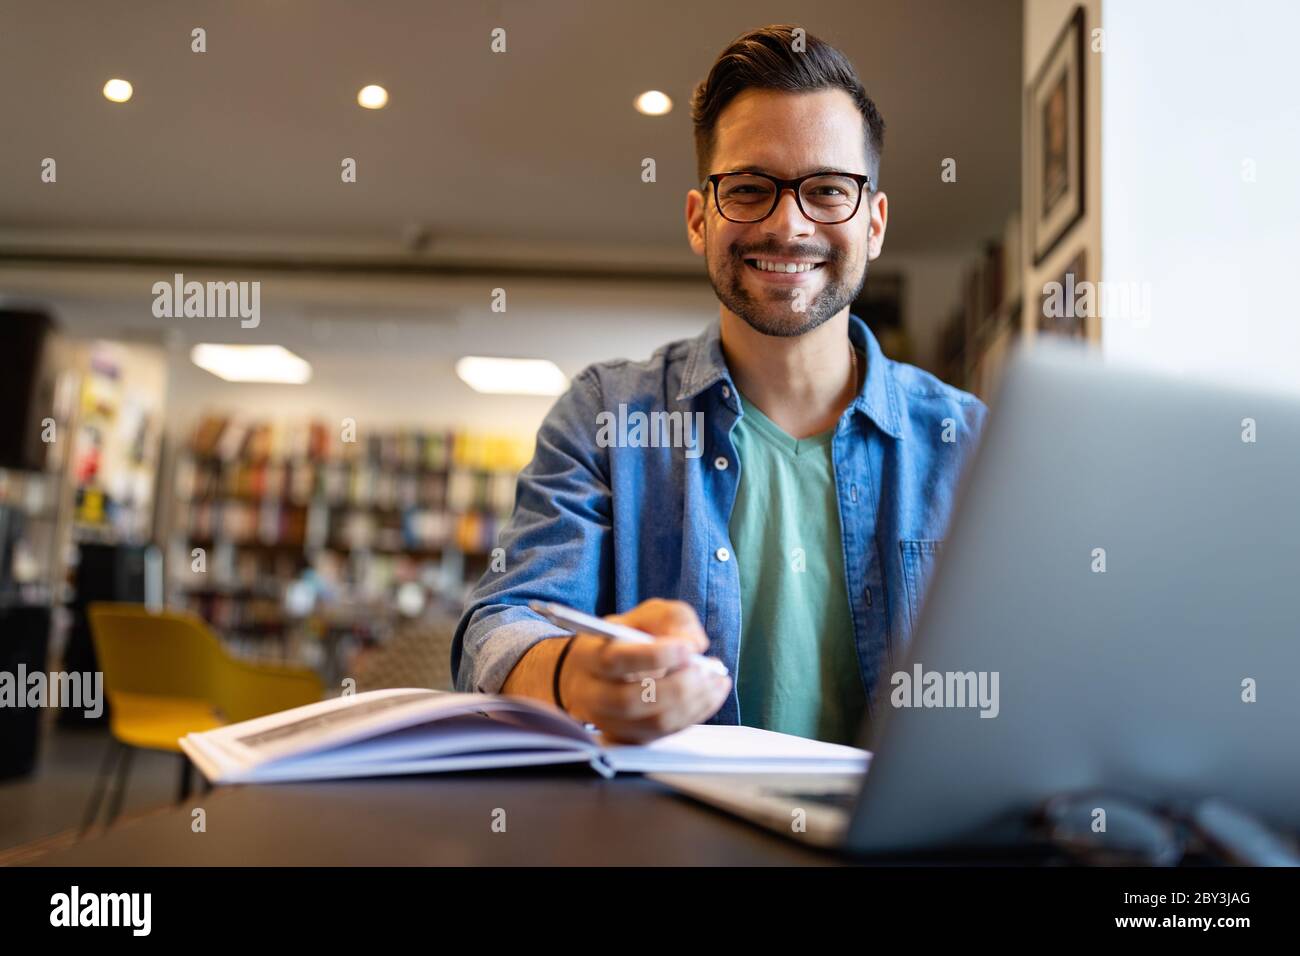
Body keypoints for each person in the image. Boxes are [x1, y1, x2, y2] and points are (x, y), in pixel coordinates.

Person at [452, 24, 986, 744]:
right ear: (700, 219)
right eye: (749, 188)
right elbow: (503, 624)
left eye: (828, 189)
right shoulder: (604, 417)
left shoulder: (976, 445)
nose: (788, 223)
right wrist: (572, 673)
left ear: (875, 223)